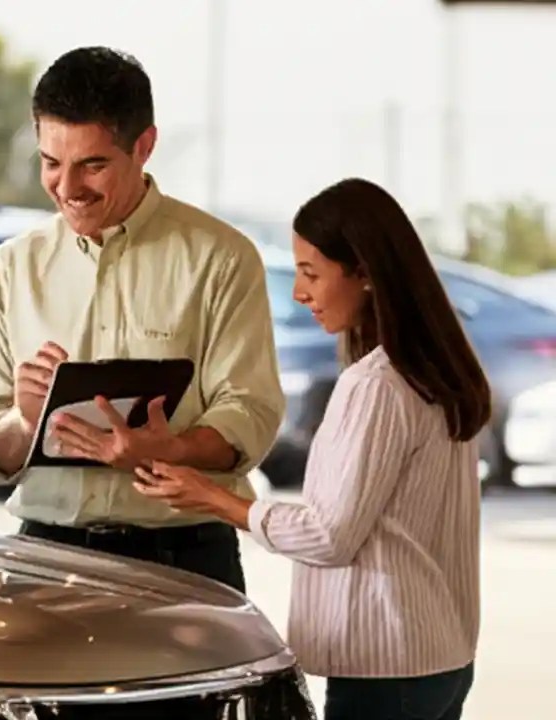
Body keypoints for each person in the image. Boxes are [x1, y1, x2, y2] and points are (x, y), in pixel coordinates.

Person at [136, 178, 487, 720]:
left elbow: (329, 536)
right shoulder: (437, 376)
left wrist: (215, 499)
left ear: (365, 274)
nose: (300, 293)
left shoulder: (377, 385)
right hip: (441, 659)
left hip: (385, 671)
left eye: (311, 273)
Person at [0, 46, 285, 593]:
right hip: (44, 556)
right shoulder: (12, 267)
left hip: (185, 559)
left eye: (93, 165)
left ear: (145, 146)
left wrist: (169, 449)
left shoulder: (221, 257)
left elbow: (250, 414)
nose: (67, 188)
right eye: (51, 162)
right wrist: (23, 420)